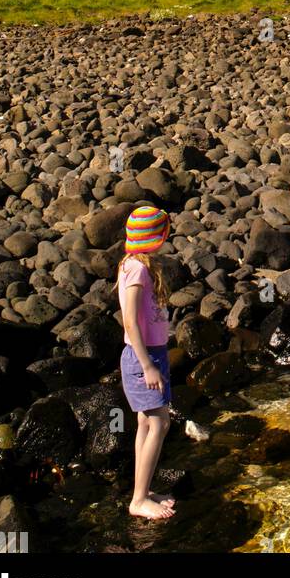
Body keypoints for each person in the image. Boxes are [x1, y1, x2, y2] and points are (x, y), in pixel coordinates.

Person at [118, 204, 176, 520]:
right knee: (160, 422)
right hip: (144, 357)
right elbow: (129, 320)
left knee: (146, 421)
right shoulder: (138, 270)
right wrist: (148, 365)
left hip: (152, 353)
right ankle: (138, 499)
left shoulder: (131, 264)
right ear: (153, 239)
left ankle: (144, 489)